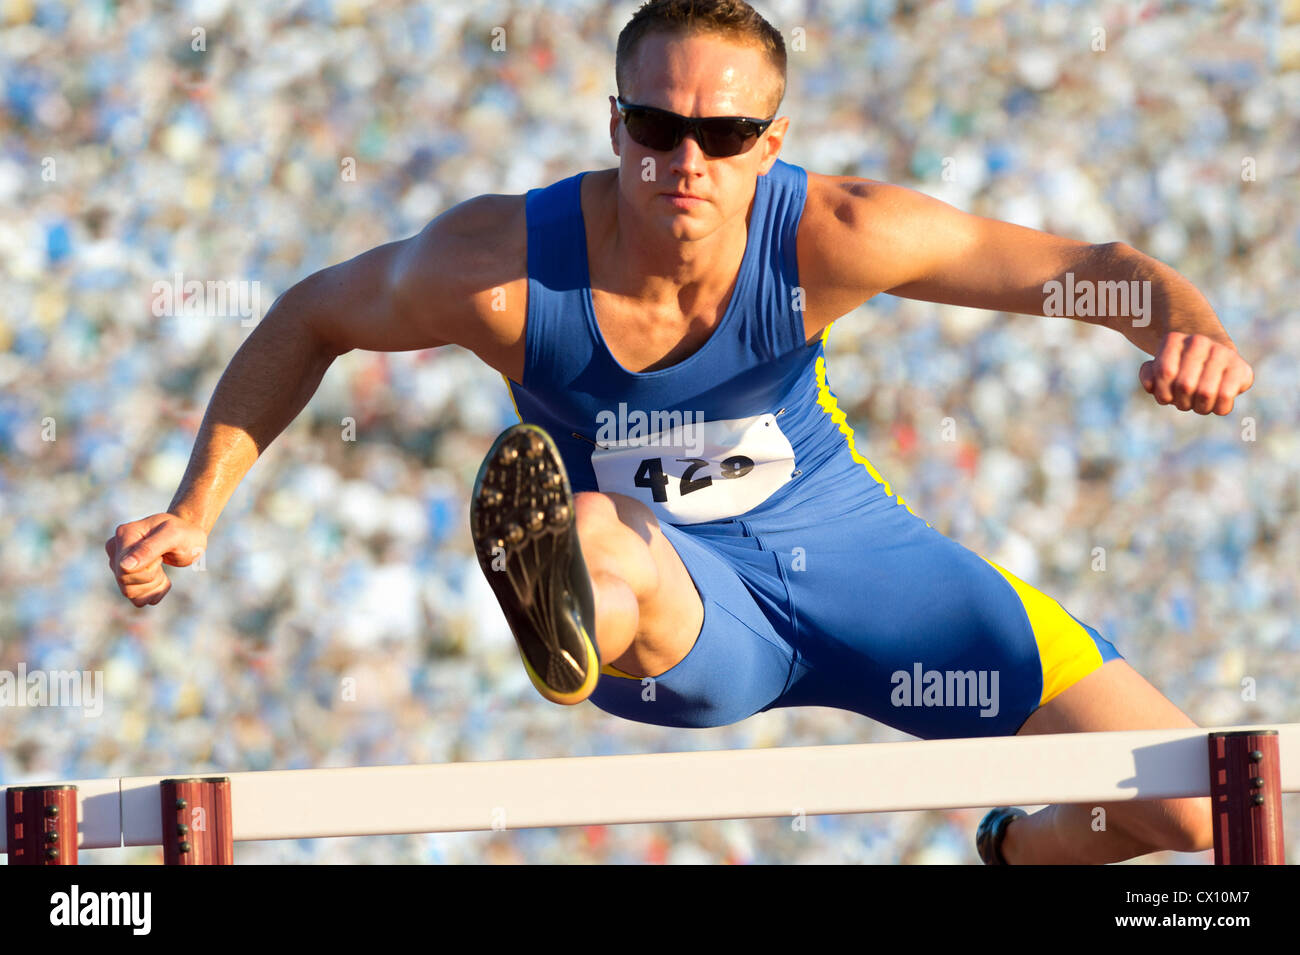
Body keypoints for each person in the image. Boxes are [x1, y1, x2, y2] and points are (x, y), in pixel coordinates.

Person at [106, 0, 1254, 864]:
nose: (684, 161)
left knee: (1196, 802)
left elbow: (1089, 273)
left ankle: (1016, 852)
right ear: (615, 123)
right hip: (681, 606)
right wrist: (197, 506)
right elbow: (312, 313)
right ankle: (566, 606)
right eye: (655, 125)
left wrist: (1185, 332)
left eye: (722, 131)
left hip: (861, 562)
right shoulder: (499, 269)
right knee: (602, 534)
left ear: (771, 138)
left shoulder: (836, 233)